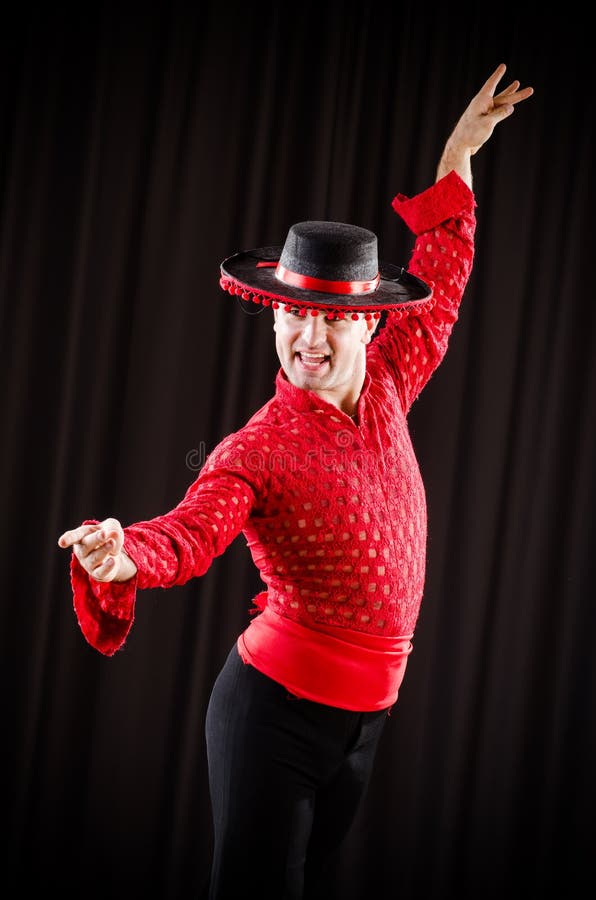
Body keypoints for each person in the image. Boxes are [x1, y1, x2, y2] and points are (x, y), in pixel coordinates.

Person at [58, 64, 533, 899]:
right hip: (270, 719)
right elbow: (189, 531)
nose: (306, 336)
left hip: (363, 725)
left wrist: (459, 154)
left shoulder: (388, 381)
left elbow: (446, 277)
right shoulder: (259, 445)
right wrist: (122, 551)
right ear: (272, 314)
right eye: (291, 314)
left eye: (327, 316)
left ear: (366, 320)